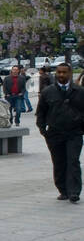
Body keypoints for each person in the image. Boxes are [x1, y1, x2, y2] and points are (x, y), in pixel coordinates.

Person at [36, 62, 84, 202]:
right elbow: (41, 112)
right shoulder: (48, 91)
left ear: (70, 74)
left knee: (73, 161)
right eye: (59, 72)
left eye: (64, 72)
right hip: (55, 133)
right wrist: (43, 129)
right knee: (59, 162)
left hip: (74, 133)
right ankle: (63, 190)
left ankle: (74, 191)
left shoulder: (79, 91)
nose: (61, 75)